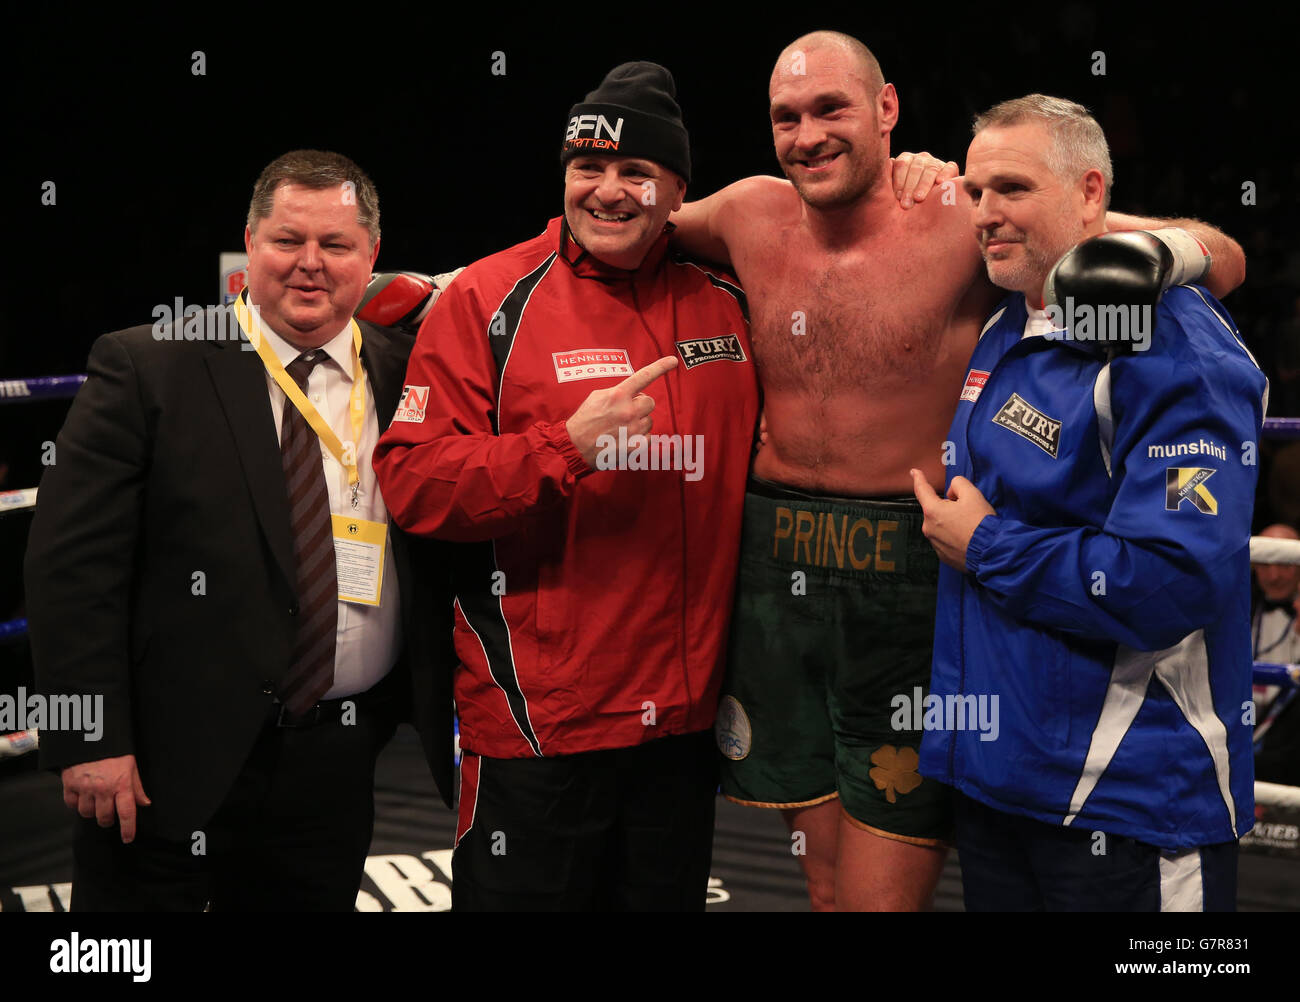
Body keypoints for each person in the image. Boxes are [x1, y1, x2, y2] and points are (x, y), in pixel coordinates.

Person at [669, 30, 1246, 910]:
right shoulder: (750, 210)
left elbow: (1216, 255)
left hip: (916, 563)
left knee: (881, 886)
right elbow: (626, 226)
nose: (808, 132)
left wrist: (1144, 256)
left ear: (887, 110)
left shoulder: (961, 217)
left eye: (832, 108)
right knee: (826, 884)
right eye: (787, 115)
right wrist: (449, 286)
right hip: (778, 564)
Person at [23, 150, 456, 910]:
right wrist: (92, 741)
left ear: (372, 256)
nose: (310, 265)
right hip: (164, 763)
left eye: (336, 245)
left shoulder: (408, 370)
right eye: (288, 241)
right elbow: (71, 571)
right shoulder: (149, 365)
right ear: (250, 245)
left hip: (337, 758)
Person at [373, 61, 759, 911]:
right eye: (589, 167)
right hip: (537, 726)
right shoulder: (484, 299)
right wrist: (563, 448)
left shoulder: (731, 302)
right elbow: (411, 483)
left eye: (636, 172)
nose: (609, 191)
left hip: (681, 731)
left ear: (677, 190)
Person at [911, 94, 1268, 910]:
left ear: (1091, 194)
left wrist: (987, 547)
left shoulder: (1174, 343)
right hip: (1002, 786)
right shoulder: (1015, 318)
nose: (986, 215)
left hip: (1133, 797)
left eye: (1014, 188)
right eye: (974, 192)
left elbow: (1172, 578)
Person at [1251, 522, 1300, 785]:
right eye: (1265, 564)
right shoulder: (1238, 608)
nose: (1274, 576)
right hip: (1238, 739)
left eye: (1284, 564)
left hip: (1288, 756)